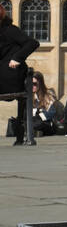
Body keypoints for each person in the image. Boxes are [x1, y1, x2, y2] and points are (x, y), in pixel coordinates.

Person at [0, 9, 40, 139]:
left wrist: (17, 57)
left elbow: (33, 43)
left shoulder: (10, 30)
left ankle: (21, 132)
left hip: (11, 78)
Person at [30, 71, 62, 136]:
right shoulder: (30, 96)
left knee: (39, 123)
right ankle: (35, 131)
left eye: (34, 84)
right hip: (33, 121)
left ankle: (35, 131)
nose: (32, 86)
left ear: (40, 83)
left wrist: (38, 116)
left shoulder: (48, 95)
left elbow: (51, 112)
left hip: (46, 123)